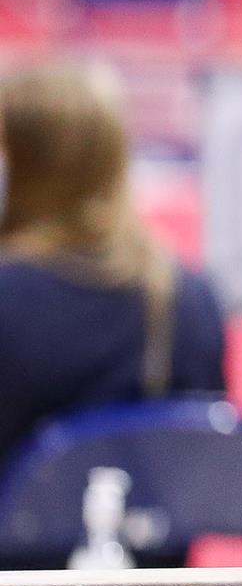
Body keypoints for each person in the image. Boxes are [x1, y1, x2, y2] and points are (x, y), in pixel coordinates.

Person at [0, 64, 229, 476]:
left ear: (17, 172)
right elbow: (201, 468)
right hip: (144, 538)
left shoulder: (9, 298)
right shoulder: (188, 297)